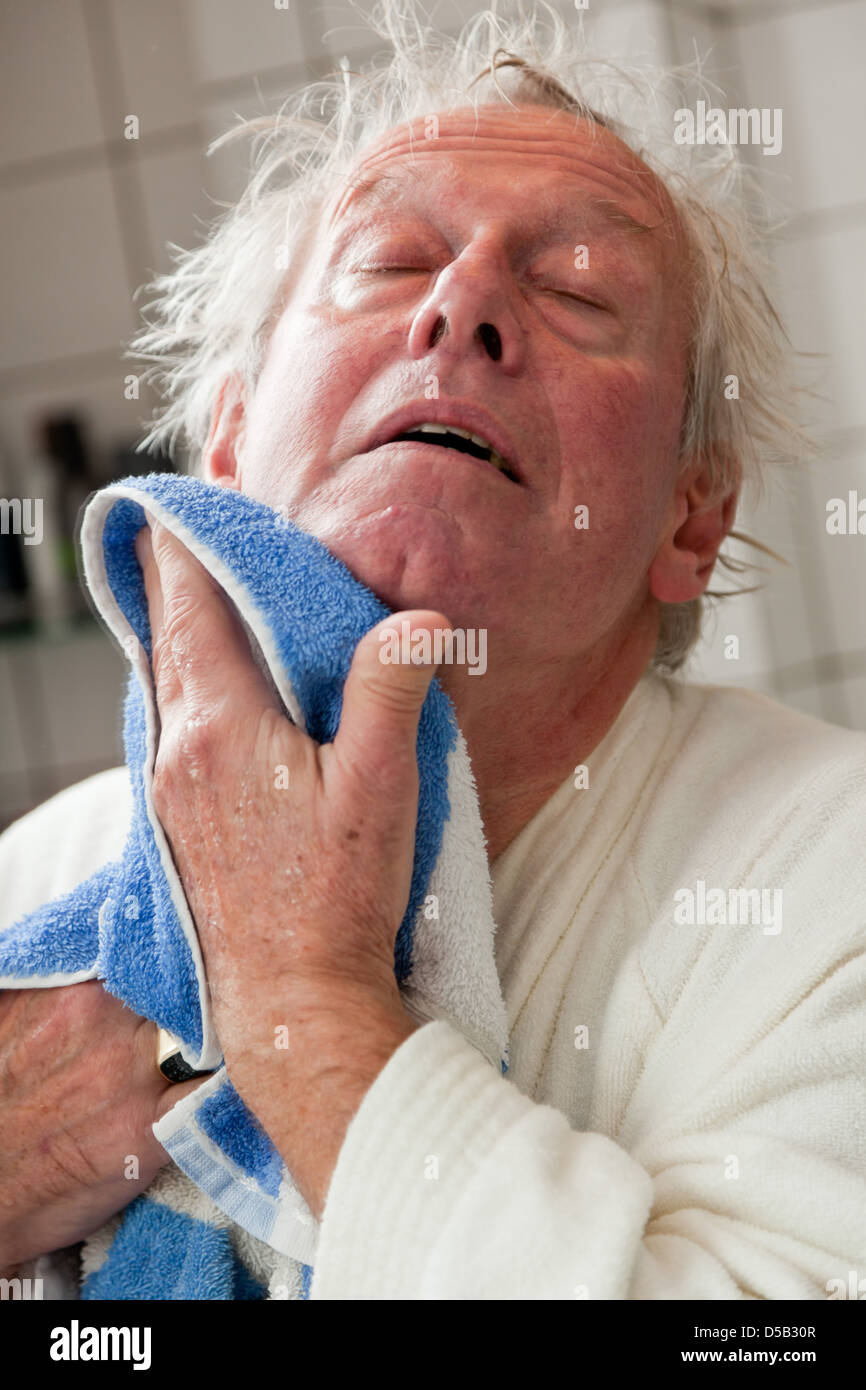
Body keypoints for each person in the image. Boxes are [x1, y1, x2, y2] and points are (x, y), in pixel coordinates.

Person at [1, 2, 864, 1300]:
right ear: (227, 446)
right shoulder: (38, 884)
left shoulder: (826, 886)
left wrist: (294, 990)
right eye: (392, 260)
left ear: (691, 517)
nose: (461, 309)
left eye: (576, 289)